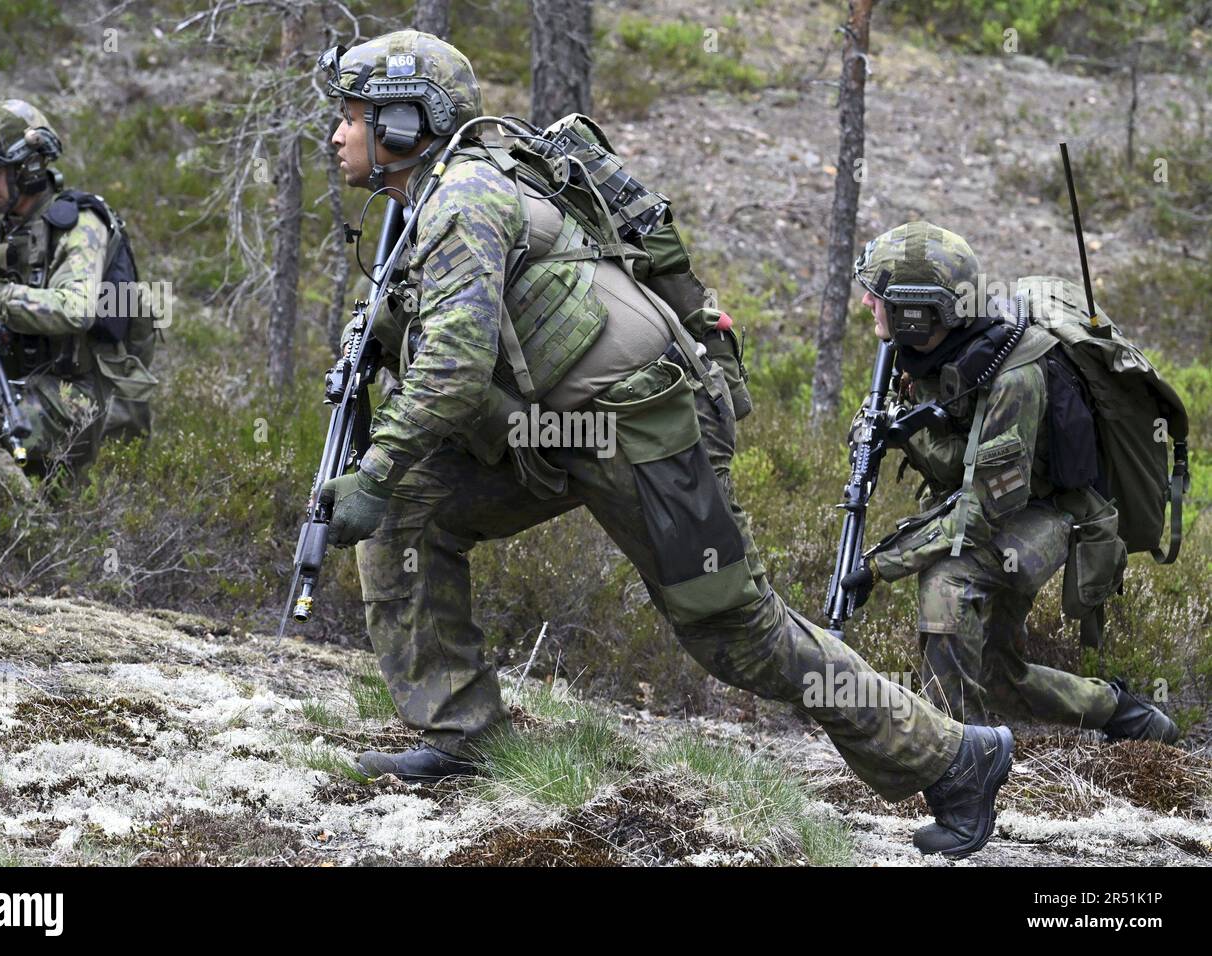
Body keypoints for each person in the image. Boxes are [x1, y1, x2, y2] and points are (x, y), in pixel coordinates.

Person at [316, 30, 1015, 857]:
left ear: (404, 123)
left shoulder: (465, 198)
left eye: (352, 115)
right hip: (558, 429)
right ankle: (462, 735)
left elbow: (456, 366)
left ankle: (956, 757)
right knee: (410, 514)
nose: (338, 134)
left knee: (737, 633)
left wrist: (377, 465)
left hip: (645, 429)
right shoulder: (426, 199)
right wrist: (388, 470)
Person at [843, 221, 1177, 743]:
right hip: (997, 496)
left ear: (919, 310)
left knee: (946, 589)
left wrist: (879, 564)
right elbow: (958, 453)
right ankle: (1122, 713)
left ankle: (964, 762)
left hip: (1050, 511)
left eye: (879, 296)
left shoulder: (1013, 376)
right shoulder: (924, 348)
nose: (866, 303)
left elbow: (984, 510)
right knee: (1000, 675)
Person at [0, 99, 156, 477]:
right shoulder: (4, 231)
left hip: (83, 396)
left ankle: (27, 530)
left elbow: (76, 310)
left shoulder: (79, 225)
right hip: (30, 388)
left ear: (27, 168)